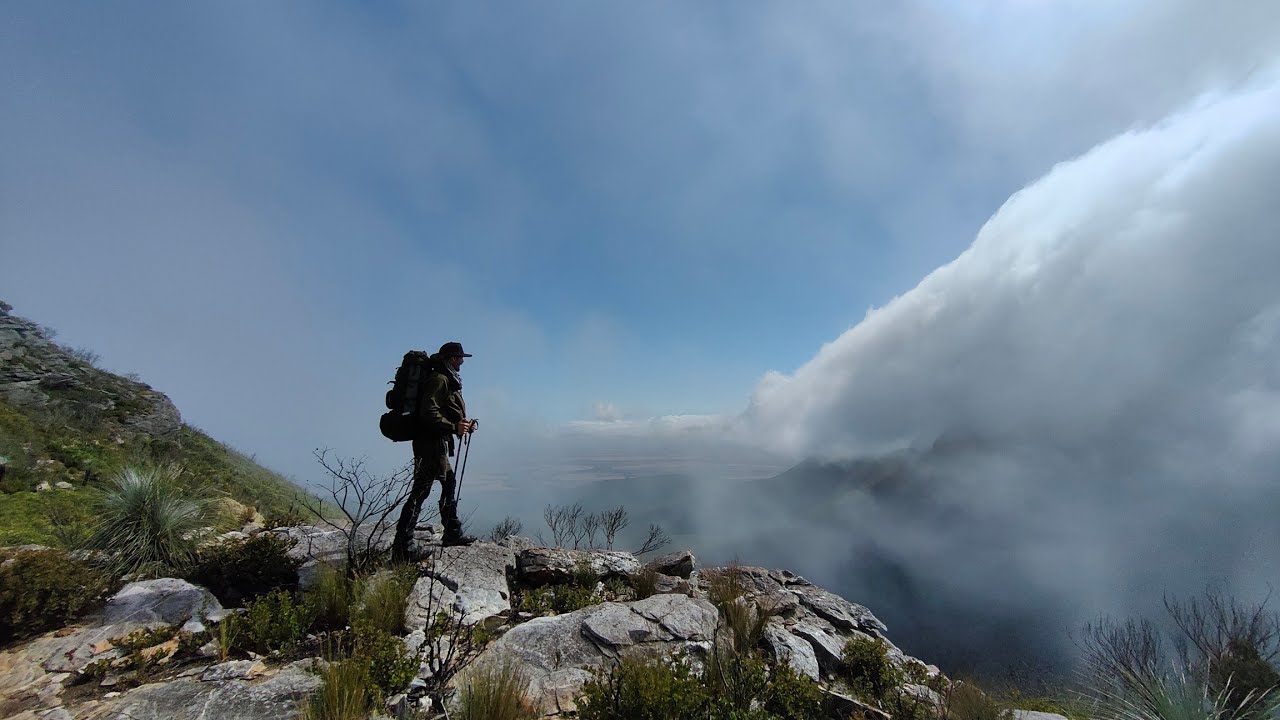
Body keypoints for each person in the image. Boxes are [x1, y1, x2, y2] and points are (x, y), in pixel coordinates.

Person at [390, 341, 478, 559]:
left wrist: (463, 424)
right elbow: (428, 413)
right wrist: (453, 427)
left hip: (437, 442)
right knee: (421, 491)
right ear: (450, 359)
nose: (462, 361)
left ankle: (452, 533)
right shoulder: (439, 379)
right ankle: (403, 548)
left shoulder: (447, 378)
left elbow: (444, 410)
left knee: (448, 482)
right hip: (429, 443)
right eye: (459, 358)